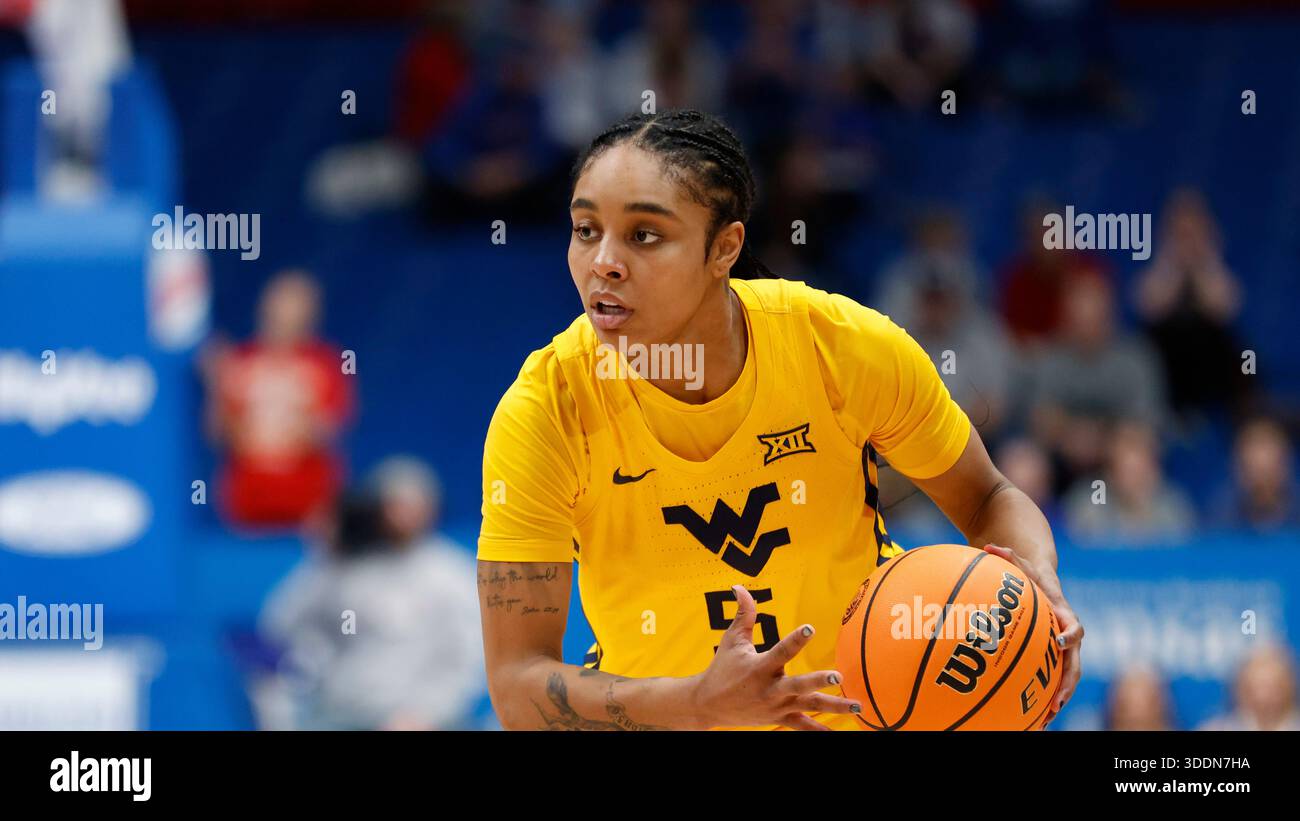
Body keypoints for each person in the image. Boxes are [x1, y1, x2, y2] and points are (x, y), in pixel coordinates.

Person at [476, 109, 1082, 731]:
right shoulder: (546, 409)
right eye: (585, 230)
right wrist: (697, 703)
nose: (603, 261)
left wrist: (1038, 579)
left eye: (645, 235)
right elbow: (516, 684)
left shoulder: (841, 347)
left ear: (725, 248)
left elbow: (987, 497)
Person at [259, 457, 485, 731]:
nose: (403, 515)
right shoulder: (344, 566)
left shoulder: (451, 573)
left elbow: (470, 658)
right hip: (339, 714)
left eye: (413, 505)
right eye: (393, 505)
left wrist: (428, 714)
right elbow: (283, 624)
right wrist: (324, 551)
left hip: (419, 719)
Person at [204, 270, 353, 529]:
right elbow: (216, 434)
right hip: (248, 500)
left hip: (309, 501)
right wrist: (217, 386)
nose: (286, 316)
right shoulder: (239, 362)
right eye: (280, 305)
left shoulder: (328, 363)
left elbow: (328, 431)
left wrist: (283, 418)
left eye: (297, 306)